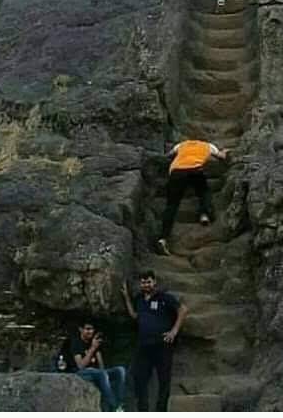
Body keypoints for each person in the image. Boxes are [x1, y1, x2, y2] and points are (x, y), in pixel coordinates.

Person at [122, 270, 187, 411]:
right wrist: (126, 298)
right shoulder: (139, 299)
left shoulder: (164, 297)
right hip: (144, 345)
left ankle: (161, 411)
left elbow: (182, 309)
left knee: (164, 380)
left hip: (162, 345)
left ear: (154, 282)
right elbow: (135, 316)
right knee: (140, 378)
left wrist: (174, 331)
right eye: (143, 282)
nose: (146, 285)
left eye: (148, 282)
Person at [159, 140, 230, 251]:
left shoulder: (181, 145)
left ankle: (163, 238)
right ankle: (204, 214)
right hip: (195, 169)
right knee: (203, 191)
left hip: (177, 172)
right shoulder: (208, 146)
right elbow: (221, 157)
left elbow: (169, 155)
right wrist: (224, 152)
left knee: (172, 205)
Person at [56, 322, 127, 412]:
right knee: (101, 373)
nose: (90, 332)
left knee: (120, 370)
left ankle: (120, 404)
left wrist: (96, 349)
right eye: (87, 329)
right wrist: (92, 348)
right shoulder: (76, 342)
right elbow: (81, 366)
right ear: (81, 330)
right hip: (79, 373)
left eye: (92, 329)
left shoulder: (94, 341)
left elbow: (101, 367)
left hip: (96, 373)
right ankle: (114, 407)